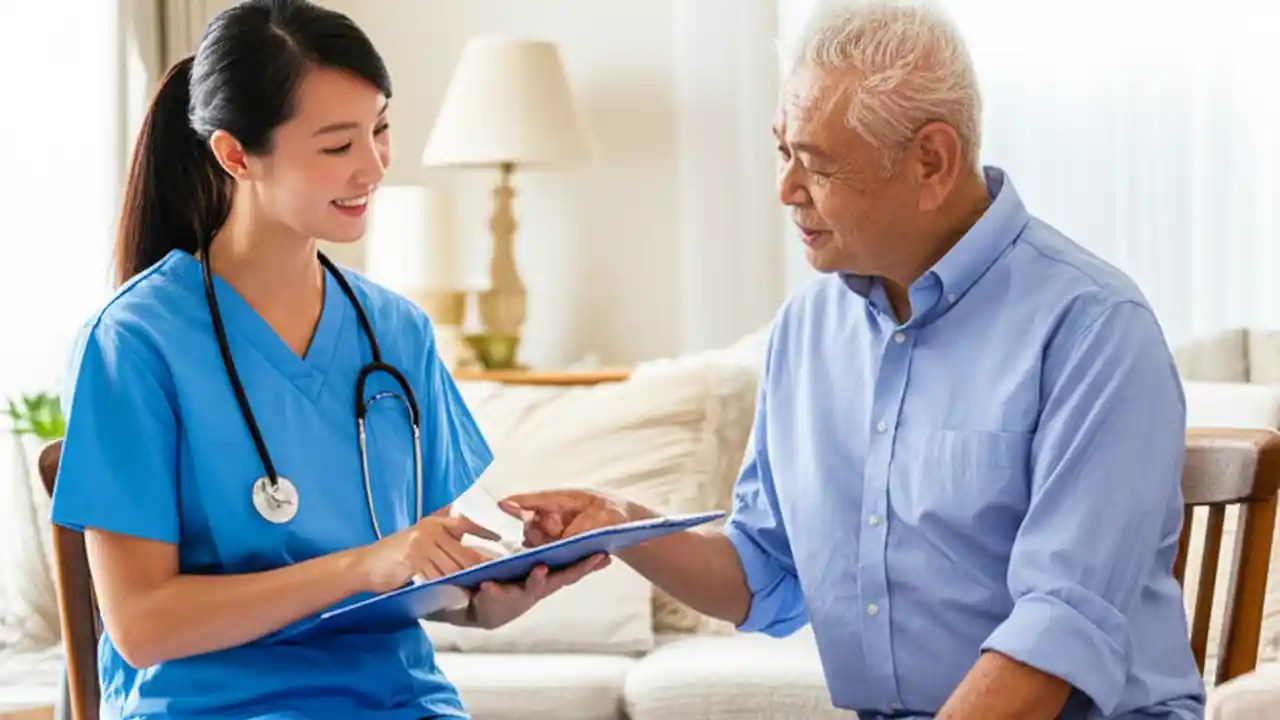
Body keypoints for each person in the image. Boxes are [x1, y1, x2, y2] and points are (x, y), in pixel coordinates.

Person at [503, 2, 1205, 718]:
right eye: (783, 152)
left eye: (816, 164)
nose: (786, 190)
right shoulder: (806, 330)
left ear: (931, 162)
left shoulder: (1093, 328)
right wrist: (622, 523)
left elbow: (1056, 634)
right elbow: (763, 569)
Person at [49, 1, 605, 718]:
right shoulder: (134, 341)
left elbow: (412, 573)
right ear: (235, 155)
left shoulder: (396, 332)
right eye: (338, 145)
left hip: (402, 702)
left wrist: (485, 598)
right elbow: (141, 625)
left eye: (380, 130)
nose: (372, 166)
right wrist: (361, 565)